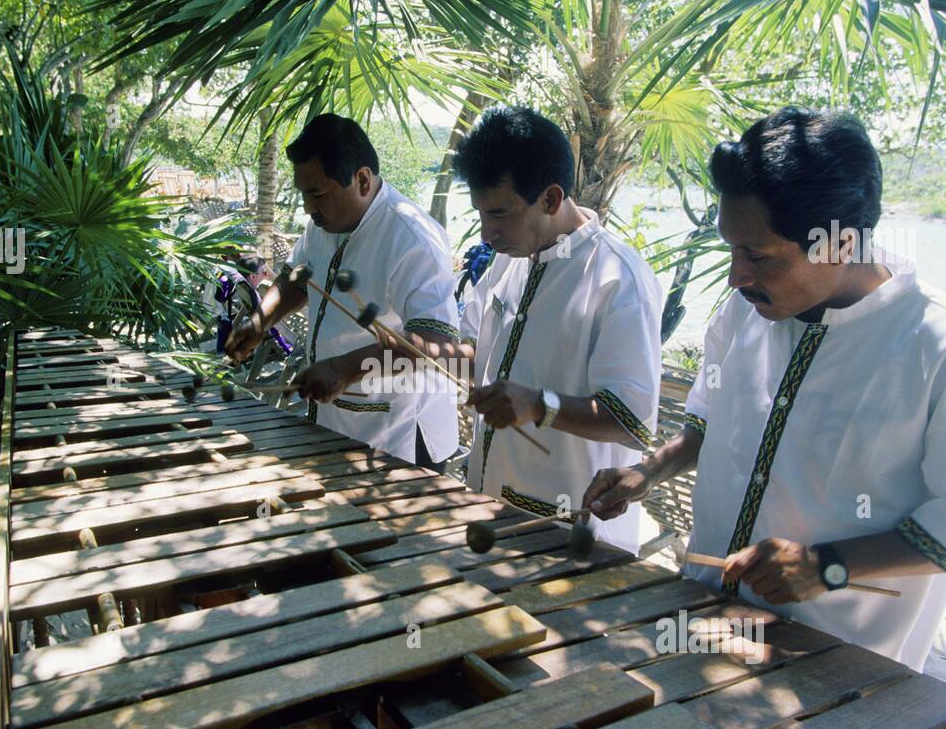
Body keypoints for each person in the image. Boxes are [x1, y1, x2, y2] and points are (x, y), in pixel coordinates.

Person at [582, 106, 946, 669]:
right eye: (731, 249)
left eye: (759, 256)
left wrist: (826, 566)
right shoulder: (742, 314)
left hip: (830, 660)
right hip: (697, 617)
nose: (735, 275)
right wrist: (647, 470)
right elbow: (706, 422)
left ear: (839, 243)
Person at [455, 106, 664, 552]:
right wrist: (407, 354)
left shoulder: (618, 279)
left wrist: (538, 404)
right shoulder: (507, 262)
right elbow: (476, 349)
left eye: (500, 215)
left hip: (570, 534)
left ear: (550, 199)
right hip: (490, 511)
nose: (486, 233)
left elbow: (633, 422)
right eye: (480, 215)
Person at [225, 114, 461, 470]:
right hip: (338, 422)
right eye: (304, 194)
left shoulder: (412, 238)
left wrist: (344, 369)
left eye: (317, 194)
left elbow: (432, 342)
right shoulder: (325, 222)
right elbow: (297, 278)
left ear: (362, 179)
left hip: (400, 437)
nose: (308, 207)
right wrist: (259, 322)